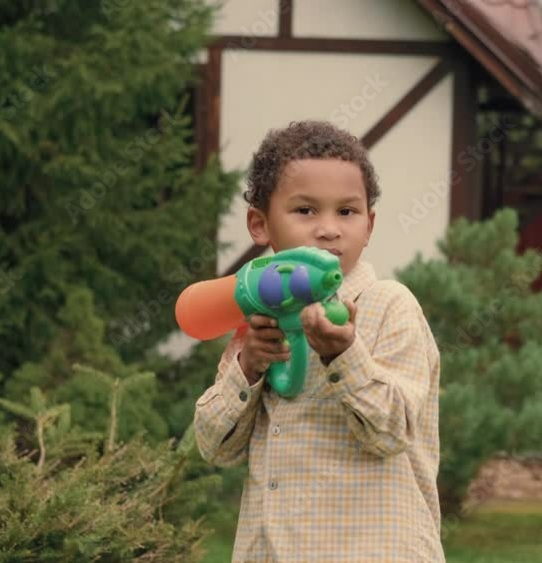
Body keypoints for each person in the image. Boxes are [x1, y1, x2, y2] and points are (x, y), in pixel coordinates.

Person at [193, 120, 445, 562]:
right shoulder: (257, 323)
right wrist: (247, 368)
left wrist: (342, 354)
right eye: (306, 211)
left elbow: (392, 432)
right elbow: (215, 447)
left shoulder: (390, 306)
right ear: (259, 224)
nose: (328, 229)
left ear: (369, 225)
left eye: (346, 212)